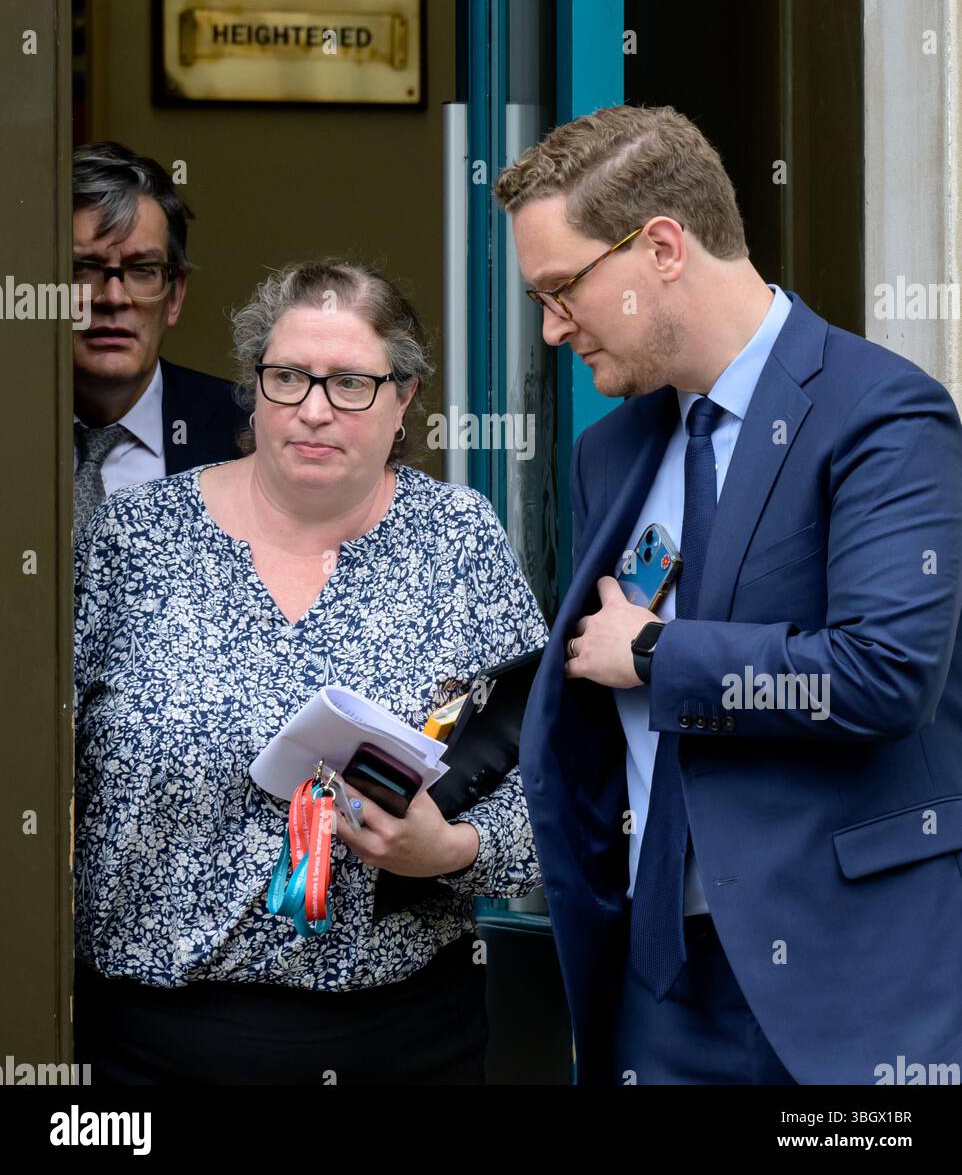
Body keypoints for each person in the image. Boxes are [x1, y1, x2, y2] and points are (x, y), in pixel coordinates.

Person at [496, 102, 962, 1085]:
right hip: (661, 989)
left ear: (660, 245)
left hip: (848, 986)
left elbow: (882, 677)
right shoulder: (610, 450)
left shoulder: (880, 413)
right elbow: (594, 678)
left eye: (561, 289)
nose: (548, 329)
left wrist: (662, 658)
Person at [72, 260, 548, 1085]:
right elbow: (36, 767)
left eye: (352, 383)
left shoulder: (457, 540)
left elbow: (558, 782)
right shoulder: (135, 536)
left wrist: (452, 848)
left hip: (403, 1040)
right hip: (151, 1043)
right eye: (287, 377)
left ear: (405, 398)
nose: (314, 409)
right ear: (254, 390)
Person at [72, 141, 246, 534]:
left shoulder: (245, 434)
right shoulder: (12, 429)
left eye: (143, 270)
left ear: (175, 296)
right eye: (83, 269)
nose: (113, 298)